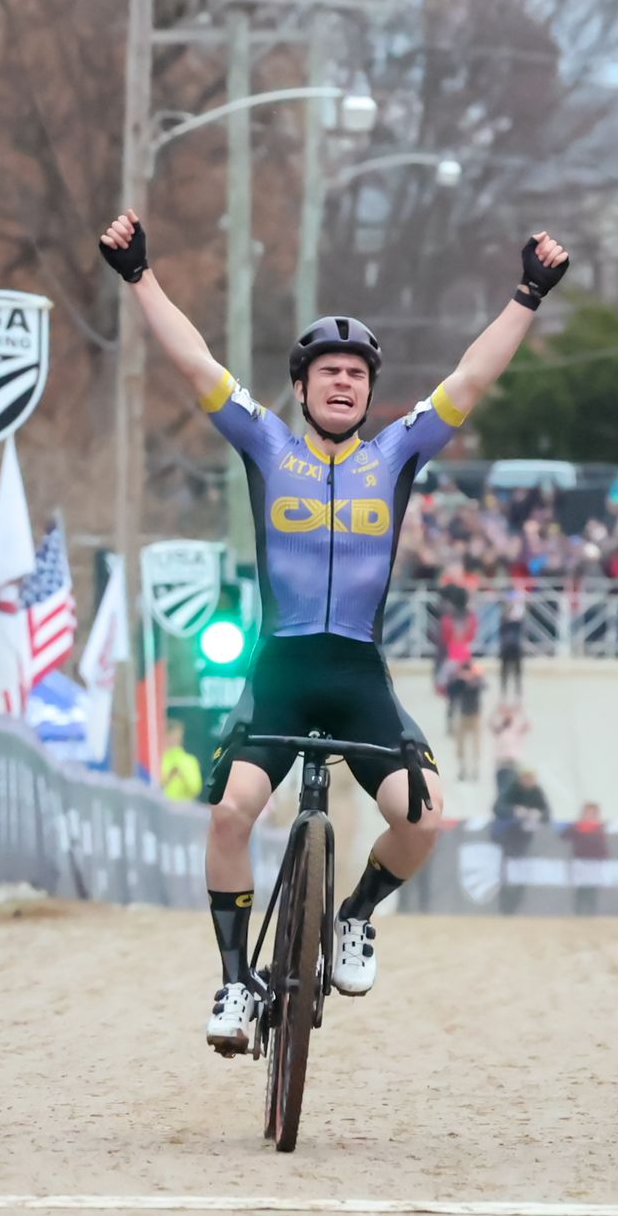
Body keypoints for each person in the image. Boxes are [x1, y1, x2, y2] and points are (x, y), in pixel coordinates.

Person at [98, 208, 571, 1054]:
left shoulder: (394, 454)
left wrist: (526, 297)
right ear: (303, 385)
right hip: (279, 670)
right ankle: (235, 984)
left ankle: (353, 916)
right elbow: (194, 359)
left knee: (423, 821)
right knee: (231, 815)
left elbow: (469, 378)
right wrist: (141, 277)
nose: (344, 383)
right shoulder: (263, 441)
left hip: (357, 677)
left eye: (357, 373)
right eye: (329, 372)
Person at [498, 584, 528, 703]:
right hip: (506, 647)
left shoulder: (518, 618)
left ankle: (517, 693)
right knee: (505, 671)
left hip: (515, 646)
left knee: (517, 672)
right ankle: (504, 693)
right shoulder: (504, 618)